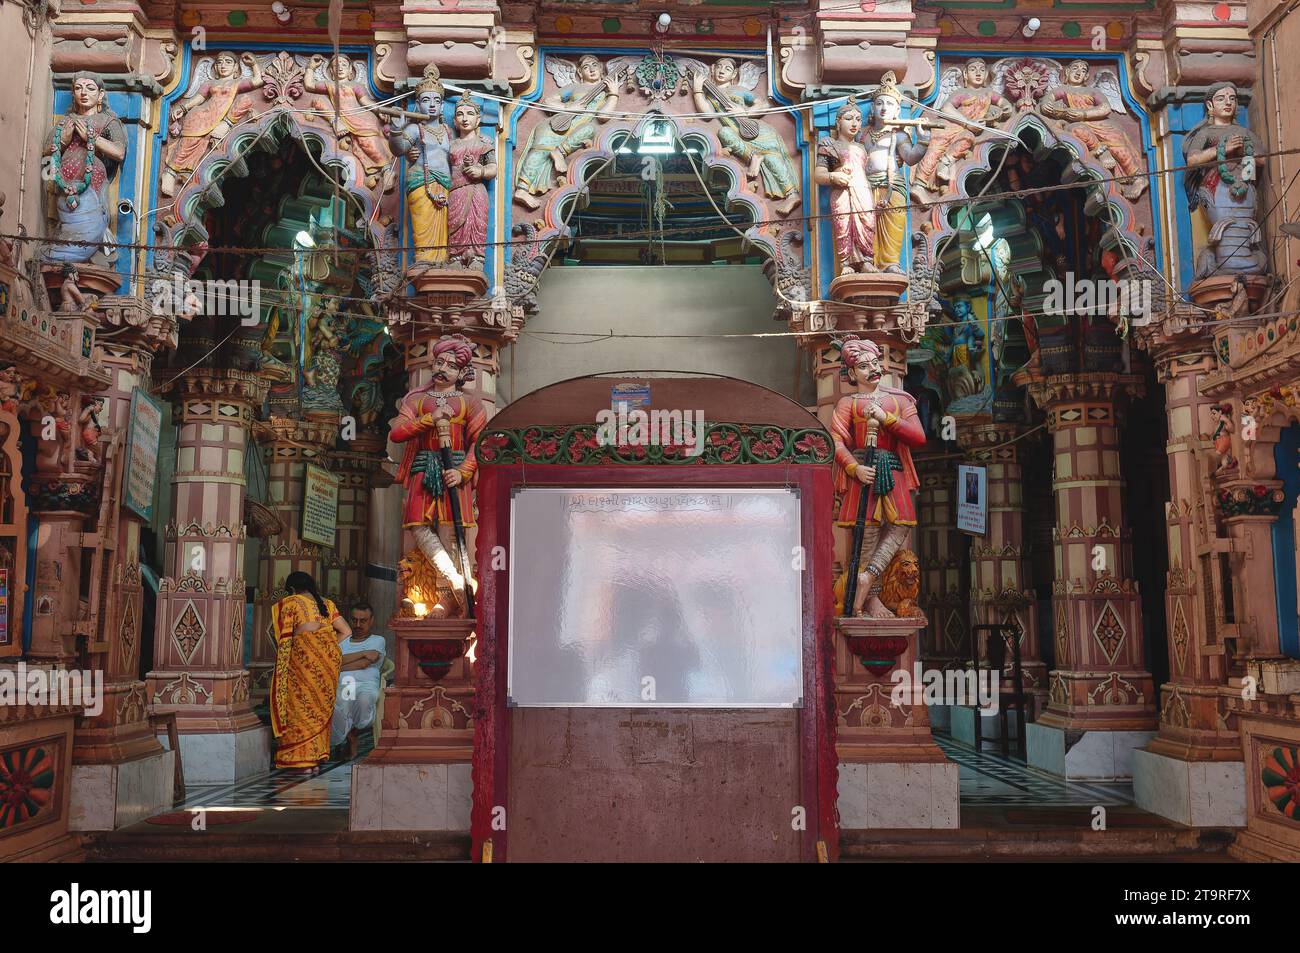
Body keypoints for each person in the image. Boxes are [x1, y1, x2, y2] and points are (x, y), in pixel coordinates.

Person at [270, 572, 350, 774]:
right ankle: (317, 758)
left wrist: (306, 647)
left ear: (291, 589)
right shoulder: (328, 604)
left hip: (303, 665)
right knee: (320, 710)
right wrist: (324, 647)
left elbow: (280, 636)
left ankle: (303, 762)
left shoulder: (291, 602)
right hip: (328, 666)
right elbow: (346, 631)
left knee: (299, 708)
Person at [331, 602, 387, 758]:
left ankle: (352, 734)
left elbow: (366, 662)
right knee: (338, 703)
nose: (358, 624)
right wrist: (363, 654)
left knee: (363, 700)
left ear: (371, 621)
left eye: (363, 621)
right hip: (342, 685)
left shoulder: (378, 640)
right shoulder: (341, 639)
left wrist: (340, 663)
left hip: (366, 685)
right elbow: (332, 662)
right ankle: (348, 737)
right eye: (354, 620)